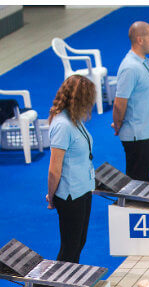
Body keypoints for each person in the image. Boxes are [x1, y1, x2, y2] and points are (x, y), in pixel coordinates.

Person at [46, 75, 97, 264]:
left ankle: (69, 285)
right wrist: (51, 197)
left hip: (82, 189)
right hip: (69, 195)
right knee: (70, 246)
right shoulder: (62, 125)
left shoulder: (74, 118)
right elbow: (54, 169)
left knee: (79, 242)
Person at [112, 21, 149, 182]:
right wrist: (118, 123)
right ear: (140, 40)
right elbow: (119, 103)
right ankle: (134, 207)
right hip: (137, 135)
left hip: (147, 131)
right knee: (137, 182)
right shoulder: (130, 68)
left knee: (143, 181)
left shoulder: (142, 63)